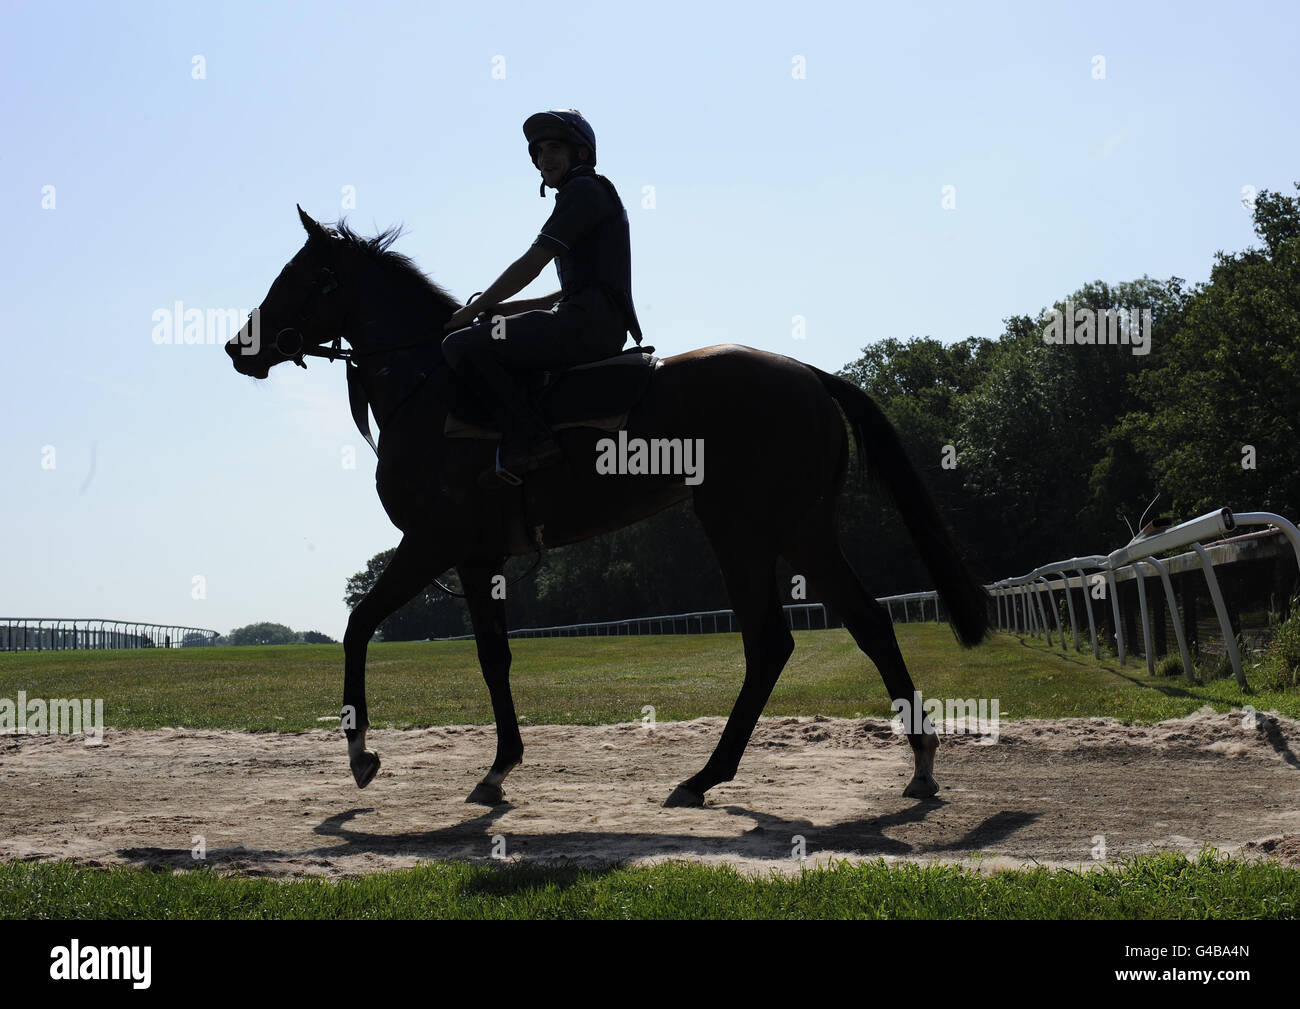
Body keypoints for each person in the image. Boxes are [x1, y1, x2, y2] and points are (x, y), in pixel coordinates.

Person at [442, 109, 643, 484]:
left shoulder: (583, 190)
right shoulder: (584, 192)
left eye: (554, 147)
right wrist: (500, 310)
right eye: (538, 151)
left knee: (460, 346)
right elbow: (563, 292)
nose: (544, 158)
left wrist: (474, 308)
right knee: (490, 334)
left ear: (580, 154)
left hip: (587, 324)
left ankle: (530, 440)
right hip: (588, 318)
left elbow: (532, 263)